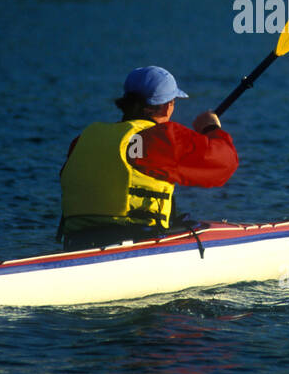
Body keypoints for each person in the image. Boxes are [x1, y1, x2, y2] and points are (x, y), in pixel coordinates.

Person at [58, 66, 238, 250]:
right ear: (168, 106)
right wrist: (210, 128)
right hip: (134, 241)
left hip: (76, 243)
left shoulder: (84, 138)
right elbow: (225, 163)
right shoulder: (159, 138)